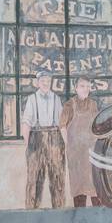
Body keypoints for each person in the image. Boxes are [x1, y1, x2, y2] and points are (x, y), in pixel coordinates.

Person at [21, 69, 66, 210]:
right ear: (38, 83)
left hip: (54, 138)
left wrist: (66, 143)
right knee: (34, 177)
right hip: (36, 137)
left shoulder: (57, 99)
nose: (46, 83)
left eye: (48, 81)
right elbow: (26, 122)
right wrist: (27, 144)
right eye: (43, 81)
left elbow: (62, 123)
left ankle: (59, 211)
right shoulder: (32, 99)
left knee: (57, 176)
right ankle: (31, 210)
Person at [60, 76, 100, 208]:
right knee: (78, 189)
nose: (86, 89)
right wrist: (69, 145)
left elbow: (97, 126)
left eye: (88, 86)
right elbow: (62, 127)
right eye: (82, 86)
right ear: (76, 88)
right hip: (76, 154)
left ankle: (98, 217)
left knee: (95, 188)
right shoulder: (69, 105)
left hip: (91, 153)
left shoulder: (93, 104)